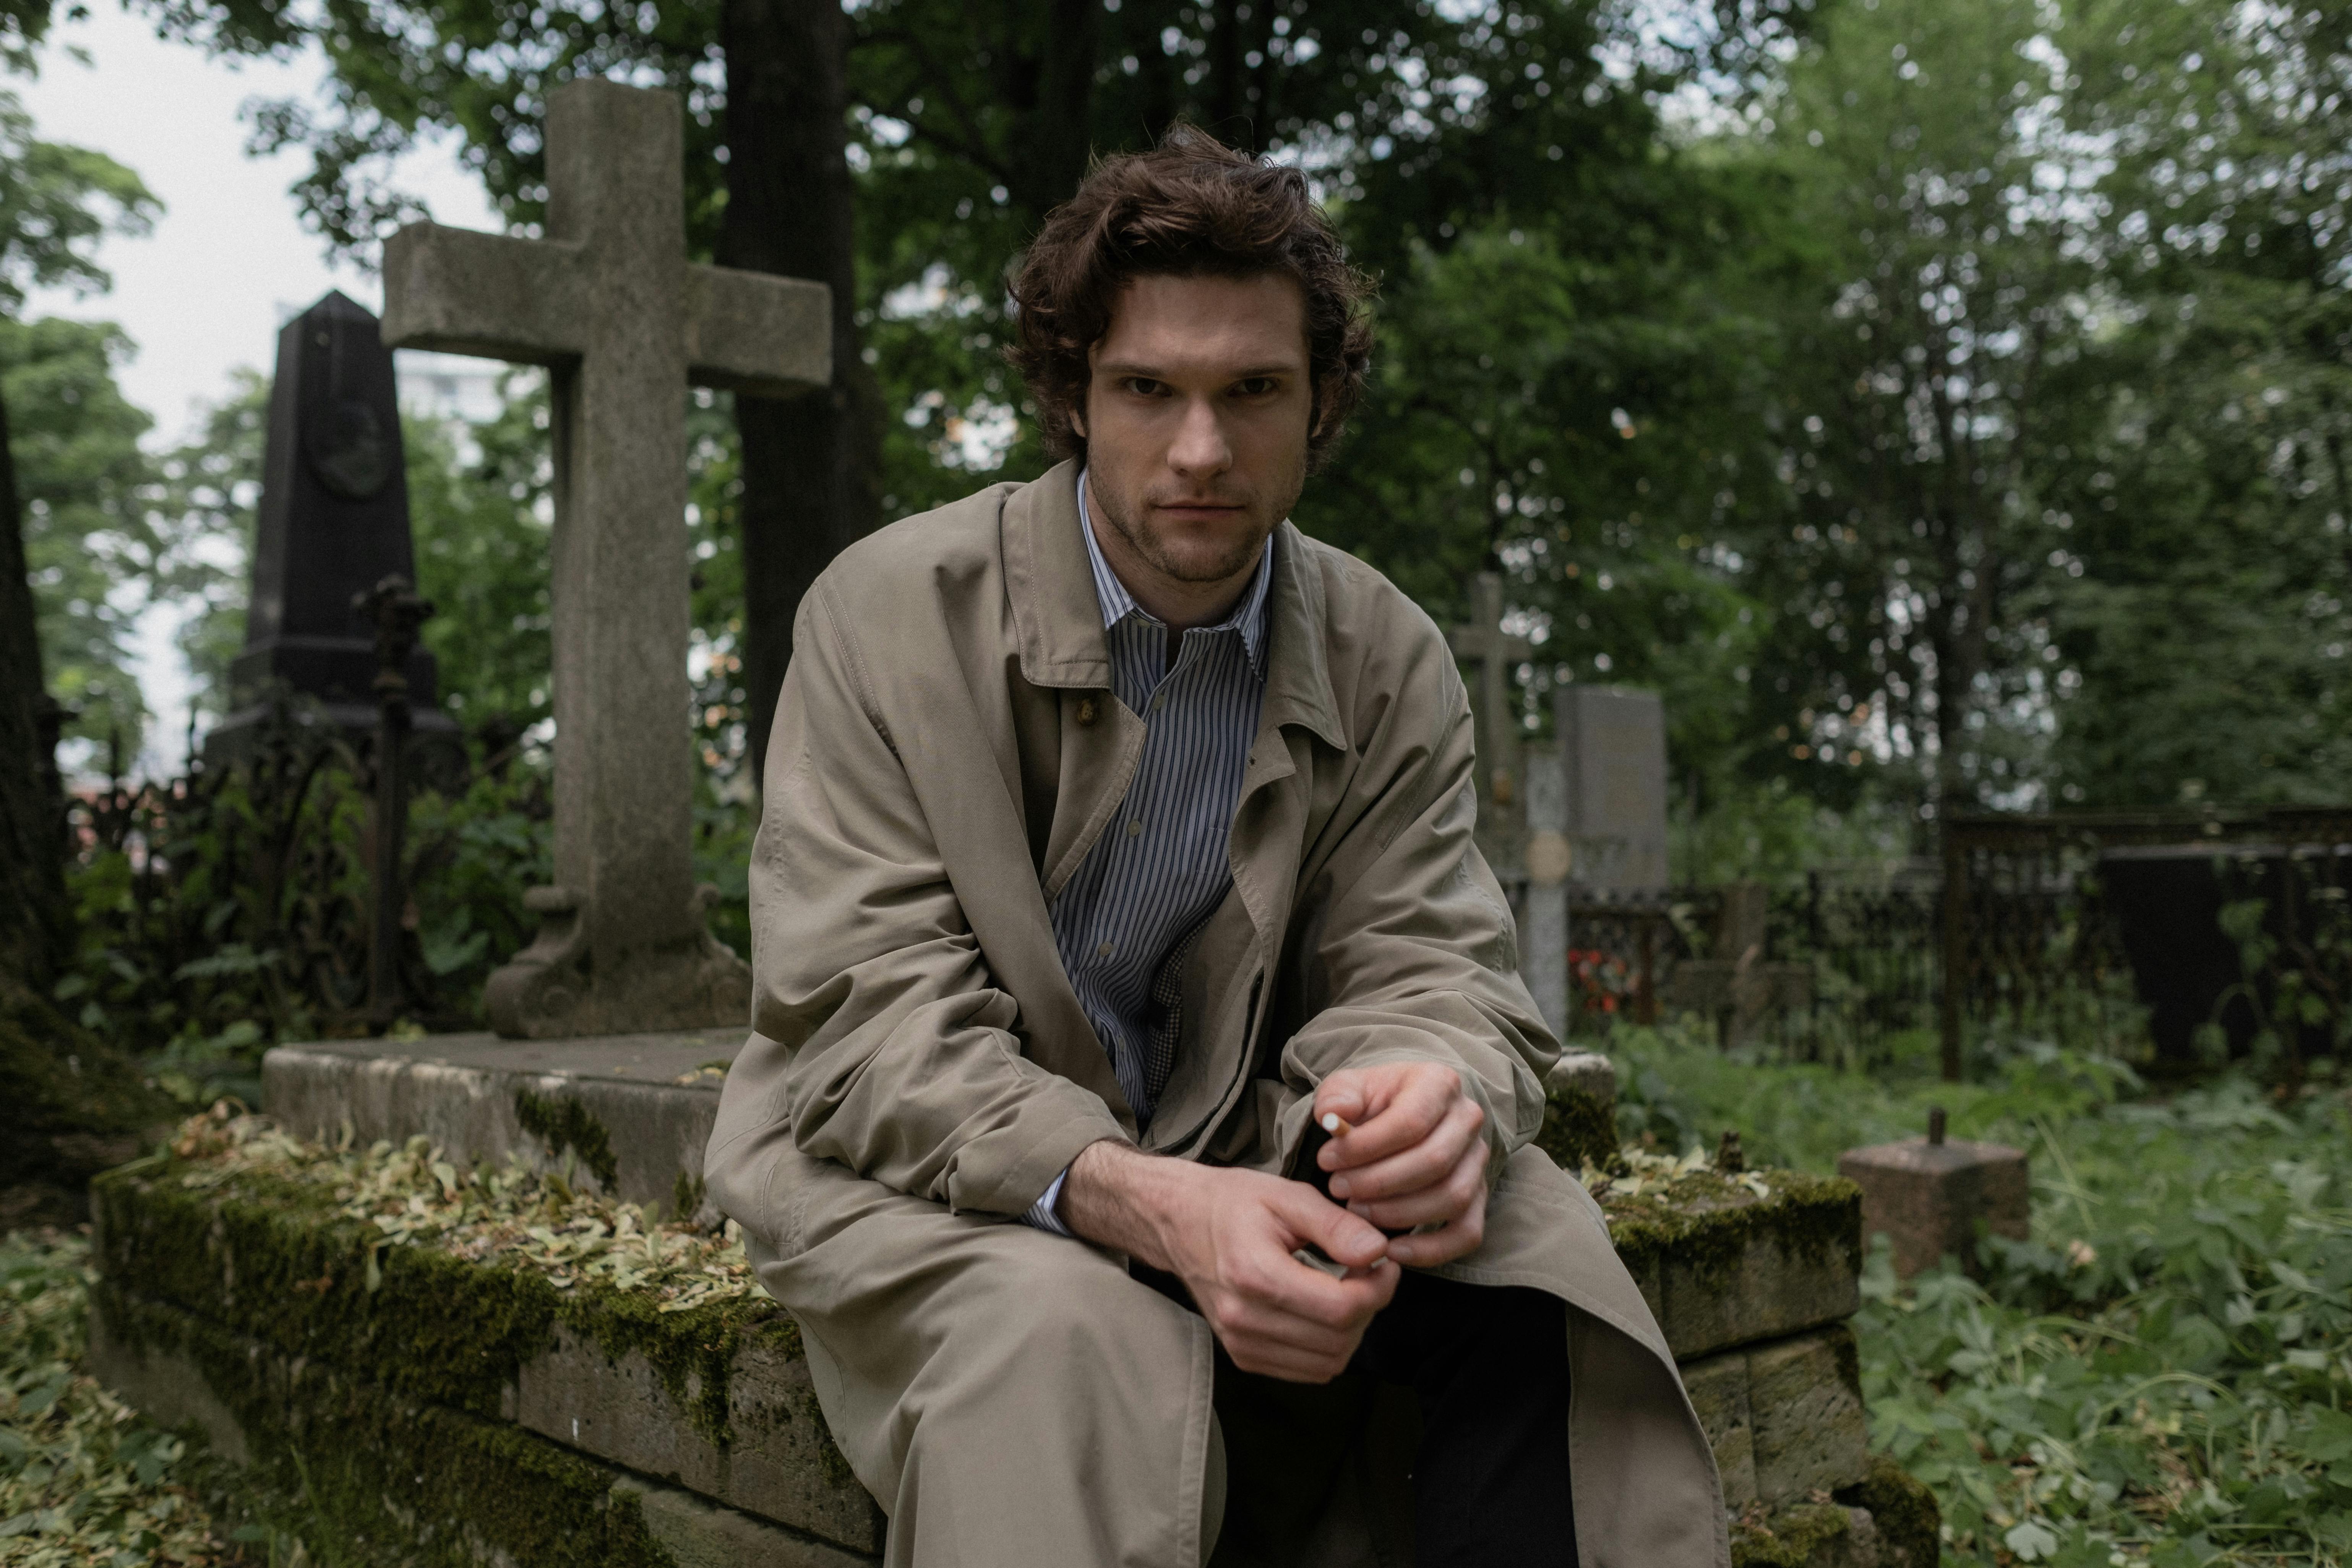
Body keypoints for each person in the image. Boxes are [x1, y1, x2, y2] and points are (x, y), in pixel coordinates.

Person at [705, 125, 1726, 1568]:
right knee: (1068, 1338)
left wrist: (1429, 1091)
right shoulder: (886, 618)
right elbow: (866, 1023)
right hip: (919, 1168)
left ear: (1321, 404)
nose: (1200, 451)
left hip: (1251, 1138)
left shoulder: (1383, 651)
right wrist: (1148, 1203)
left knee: (1533, 1269)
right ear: (1072, 395)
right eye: (1147, 390)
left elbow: (1425, 957)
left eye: (1253, 391)